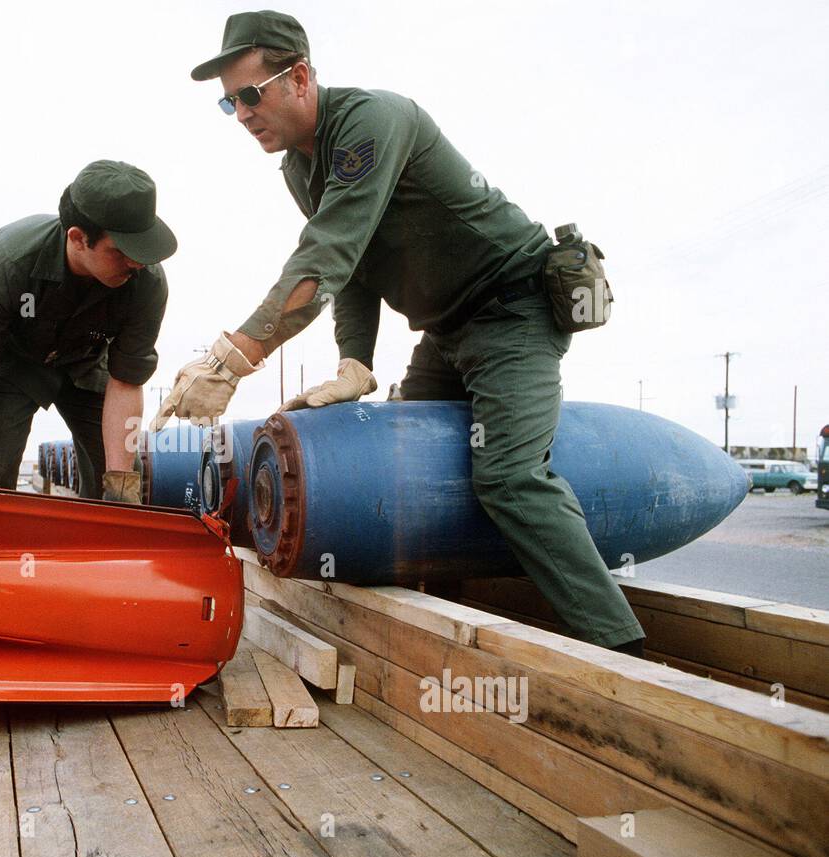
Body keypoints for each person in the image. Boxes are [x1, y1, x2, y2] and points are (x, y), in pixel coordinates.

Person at [154, 11, 644, 654]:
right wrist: (354, 362)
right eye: (229, 102)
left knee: (508, 476)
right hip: (446, 332)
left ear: (299, 77)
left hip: (513, 308)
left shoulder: (372, 122)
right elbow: (351, 268)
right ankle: (449, 601)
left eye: (252, 93)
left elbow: (324, 257)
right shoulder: (301, 171)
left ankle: (621, 646)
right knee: (400, 463)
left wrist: (231, 358)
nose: (242, 113)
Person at [0, 160, 177, 502]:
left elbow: (127, 381)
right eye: (122, 252)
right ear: (78, 238)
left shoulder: (146, 283)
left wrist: (118, 487)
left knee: (119, 482)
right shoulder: (10, 261)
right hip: (15, 366)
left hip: (88, 366)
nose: (137, 263)